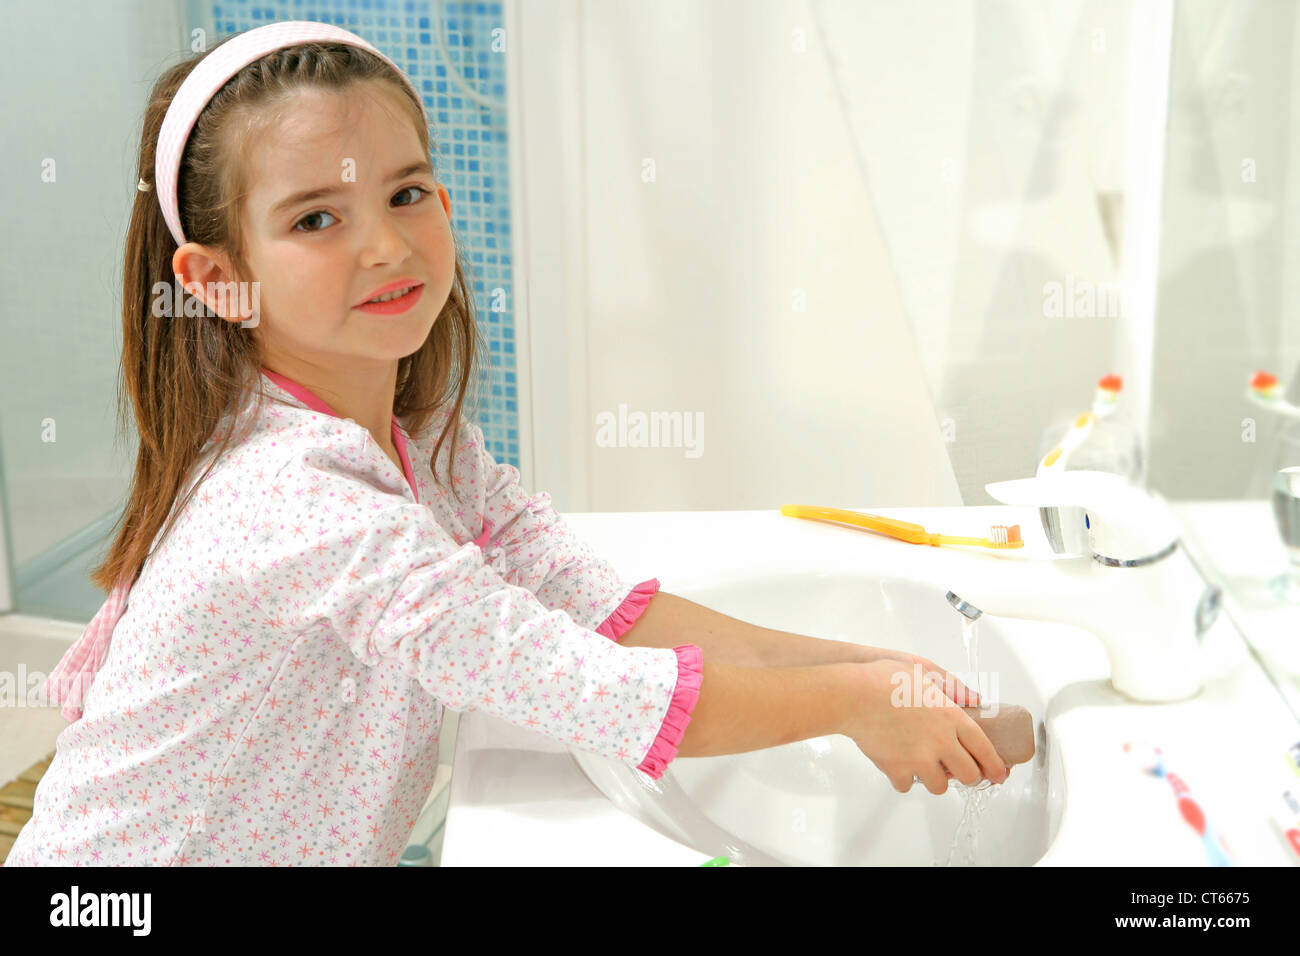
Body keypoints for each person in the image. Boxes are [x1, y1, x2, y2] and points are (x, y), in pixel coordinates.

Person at [5, 20, 1006, 868]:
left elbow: (591, 602)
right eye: (317, 218)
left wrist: (868, 664)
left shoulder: (416, 433)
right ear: (219, 278)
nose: (386, 245)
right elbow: (584, 686)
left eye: (404, 193)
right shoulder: (291, 501)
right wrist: (851, 701)